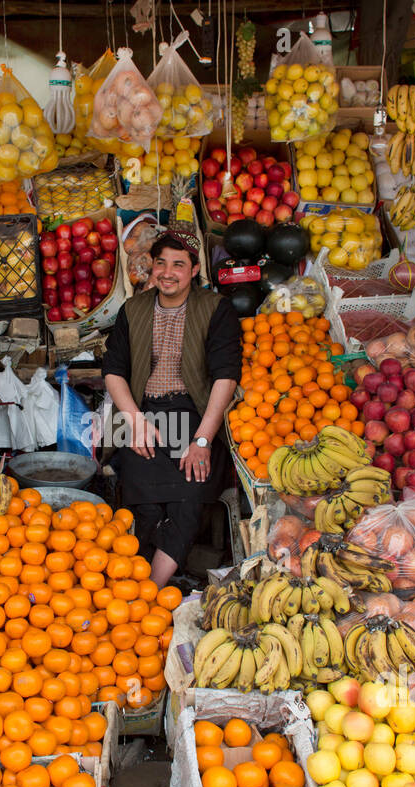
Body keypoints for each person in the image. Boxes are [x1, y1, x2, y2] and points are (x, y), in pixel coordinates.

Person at [102, 227, 242, 587]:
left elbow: (226, 377)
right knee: (143, 502)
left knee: (189, 494)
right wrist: (134, 421)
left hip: (194, 415)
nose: (167, 272)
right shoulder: (132, 310)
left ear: (194, 270)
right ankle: (132, 583)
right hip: (142, 413)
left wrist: (203, 440)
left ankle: (150, 591)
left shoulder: (214, 309)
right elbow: (113, 372)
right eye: (160, 262)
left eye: (178, 264)